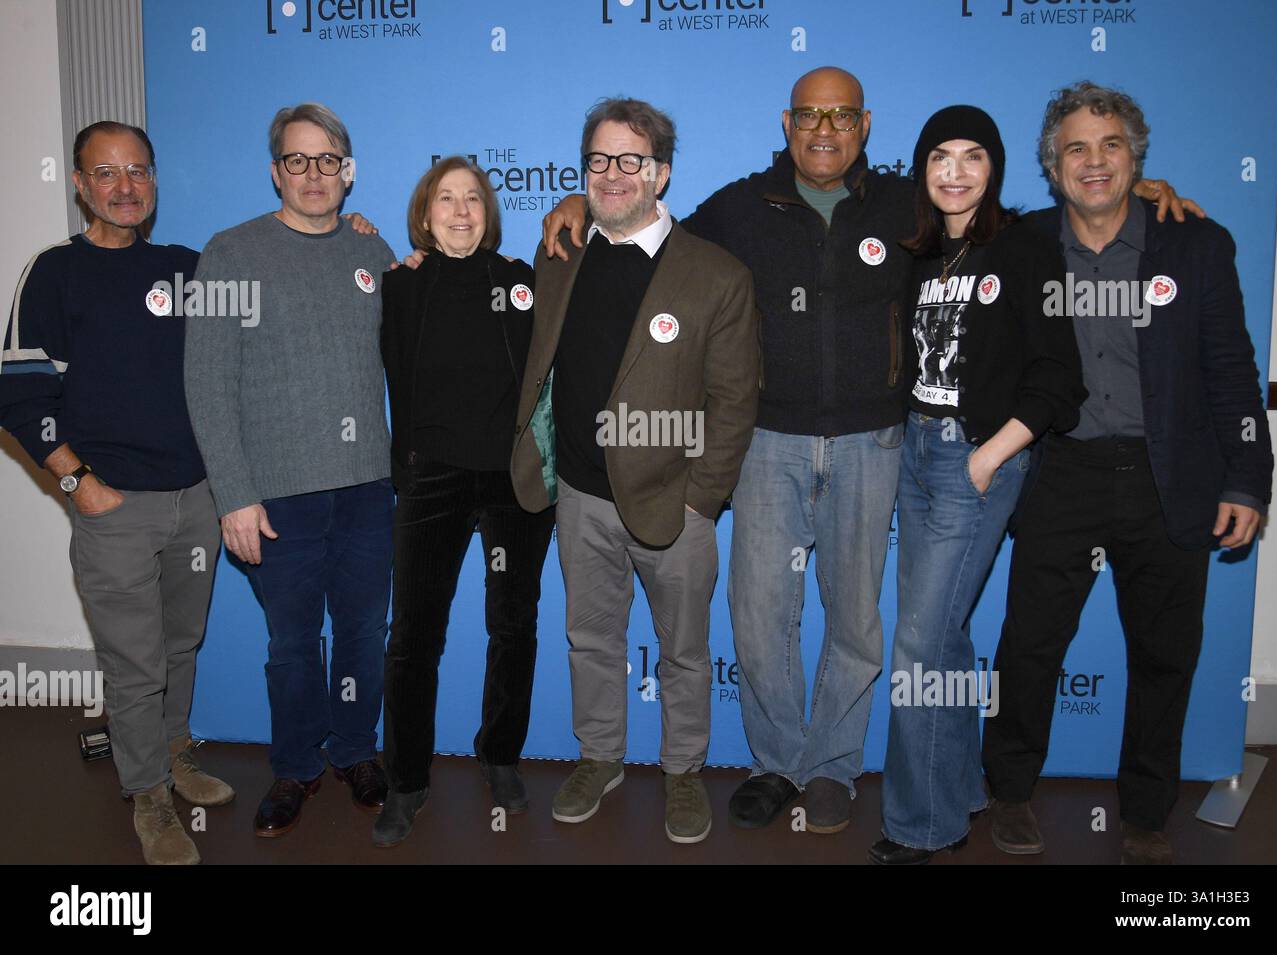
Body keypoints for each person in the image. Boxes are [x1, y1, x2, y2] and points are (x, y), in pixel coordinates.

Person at [543, 68, 1196, 835]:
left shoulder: (905, 204)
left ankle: (832, 768)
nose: (826, 129)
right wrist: (573, 205)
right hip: (765, 443)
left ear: (866, 124)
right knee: (758, 618)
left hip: (876, 443)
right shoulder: (737, 209)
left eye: (842, 116)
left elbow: (1005, 229)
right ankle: (777, 762)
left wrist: (1135, 196)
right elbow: (649, 228)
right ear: (786, 123)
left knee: (855, 620)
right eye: (811, 115)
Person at [981, 82, 1274, 865]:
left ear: (1136, 154)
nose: (1095, 160)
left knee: (1165, 653)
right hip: (1060, 474)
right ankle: (1008, 792)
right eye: (1076, 147)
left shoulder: (1196, 246)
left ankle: (1146, 813)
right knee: (1029, 646)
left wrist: (1247, 477)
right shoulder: (1024, 246)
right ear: (1053, 165)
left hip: (1168, 476)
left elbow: (1232, 372)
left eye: (1111, 143)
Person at [514, 97, 760, 844]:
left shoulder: (716, 274)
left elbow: (734, 398)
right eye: (598, 160)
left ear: (662, 173)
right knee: (592, 642)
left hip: (673, 505)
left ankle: (684, 772)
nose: (613, 175)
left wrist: (702, 502)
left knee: (685, 652)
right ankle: (600, 757)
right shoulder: (561, 254)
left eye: (631, 160)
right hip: (580, 499)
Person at [0, 121, 233, 865]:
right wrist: (76, 479)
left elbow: (269, 313)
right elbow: (17, 392)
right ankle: (148, 795)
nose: (125, 187)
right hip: (113, 507)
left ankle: (172, 755)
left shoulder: (188, 268)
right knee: (133, 660)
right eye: (107, 174)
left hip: (196, 499)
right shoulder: (53, 272)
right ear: (79, 183)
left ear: (154, 181)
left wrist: (352, 232)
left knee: (179, 645)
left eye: (138, 172)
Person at [868, 106, 1085, 865]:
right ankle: (958, 786)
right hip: (915, 455)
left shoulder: (1024, 247)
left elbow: (1061, 376)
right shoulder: (922, 253)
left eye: (972, 157)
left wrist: (991, 455)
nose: (955, 171)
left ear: (994, 169)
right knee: (947, 639)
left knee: (919, 645)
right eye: (939, 157)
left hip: (976, 460)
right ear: (922, 171)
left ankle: (921, 827)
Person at [184, 102, 397, 837]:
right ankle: (297, 764)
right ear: (276, 169)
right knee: (293, 644)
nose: (314, 174)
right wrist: (234, 495)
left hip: (369, 485)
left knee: (366, 633)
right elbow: (206, 383)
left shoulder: (372, 254)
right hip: (276, 496)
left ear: (348, 171)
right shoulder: (229, 252)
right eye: (298, 160)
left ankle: (357, 750)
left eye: (328, 160)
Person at [371, 158, 555, 847]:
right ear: (425, 213)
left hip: (513, 481)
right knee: (414, 636)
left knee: (514, 624)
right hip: (433, 479)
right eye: (445, 198)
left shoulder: (518, 281)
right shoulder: (399, 285)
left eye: (472, 198)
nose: (460, 210)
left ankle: (500, 754)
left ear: (488, 211)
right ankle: (407, 779)